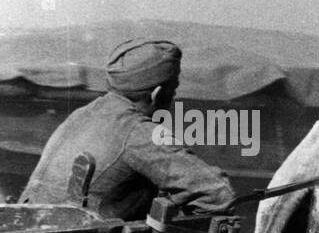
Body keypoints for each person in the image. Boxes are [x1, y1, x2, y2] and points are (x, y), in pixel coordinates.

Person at [20, 38, 235, 219]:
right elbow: (218, 193)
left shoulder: (80, 115)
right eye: (174, 89)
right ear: (157, 94)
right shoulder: (140, 132)